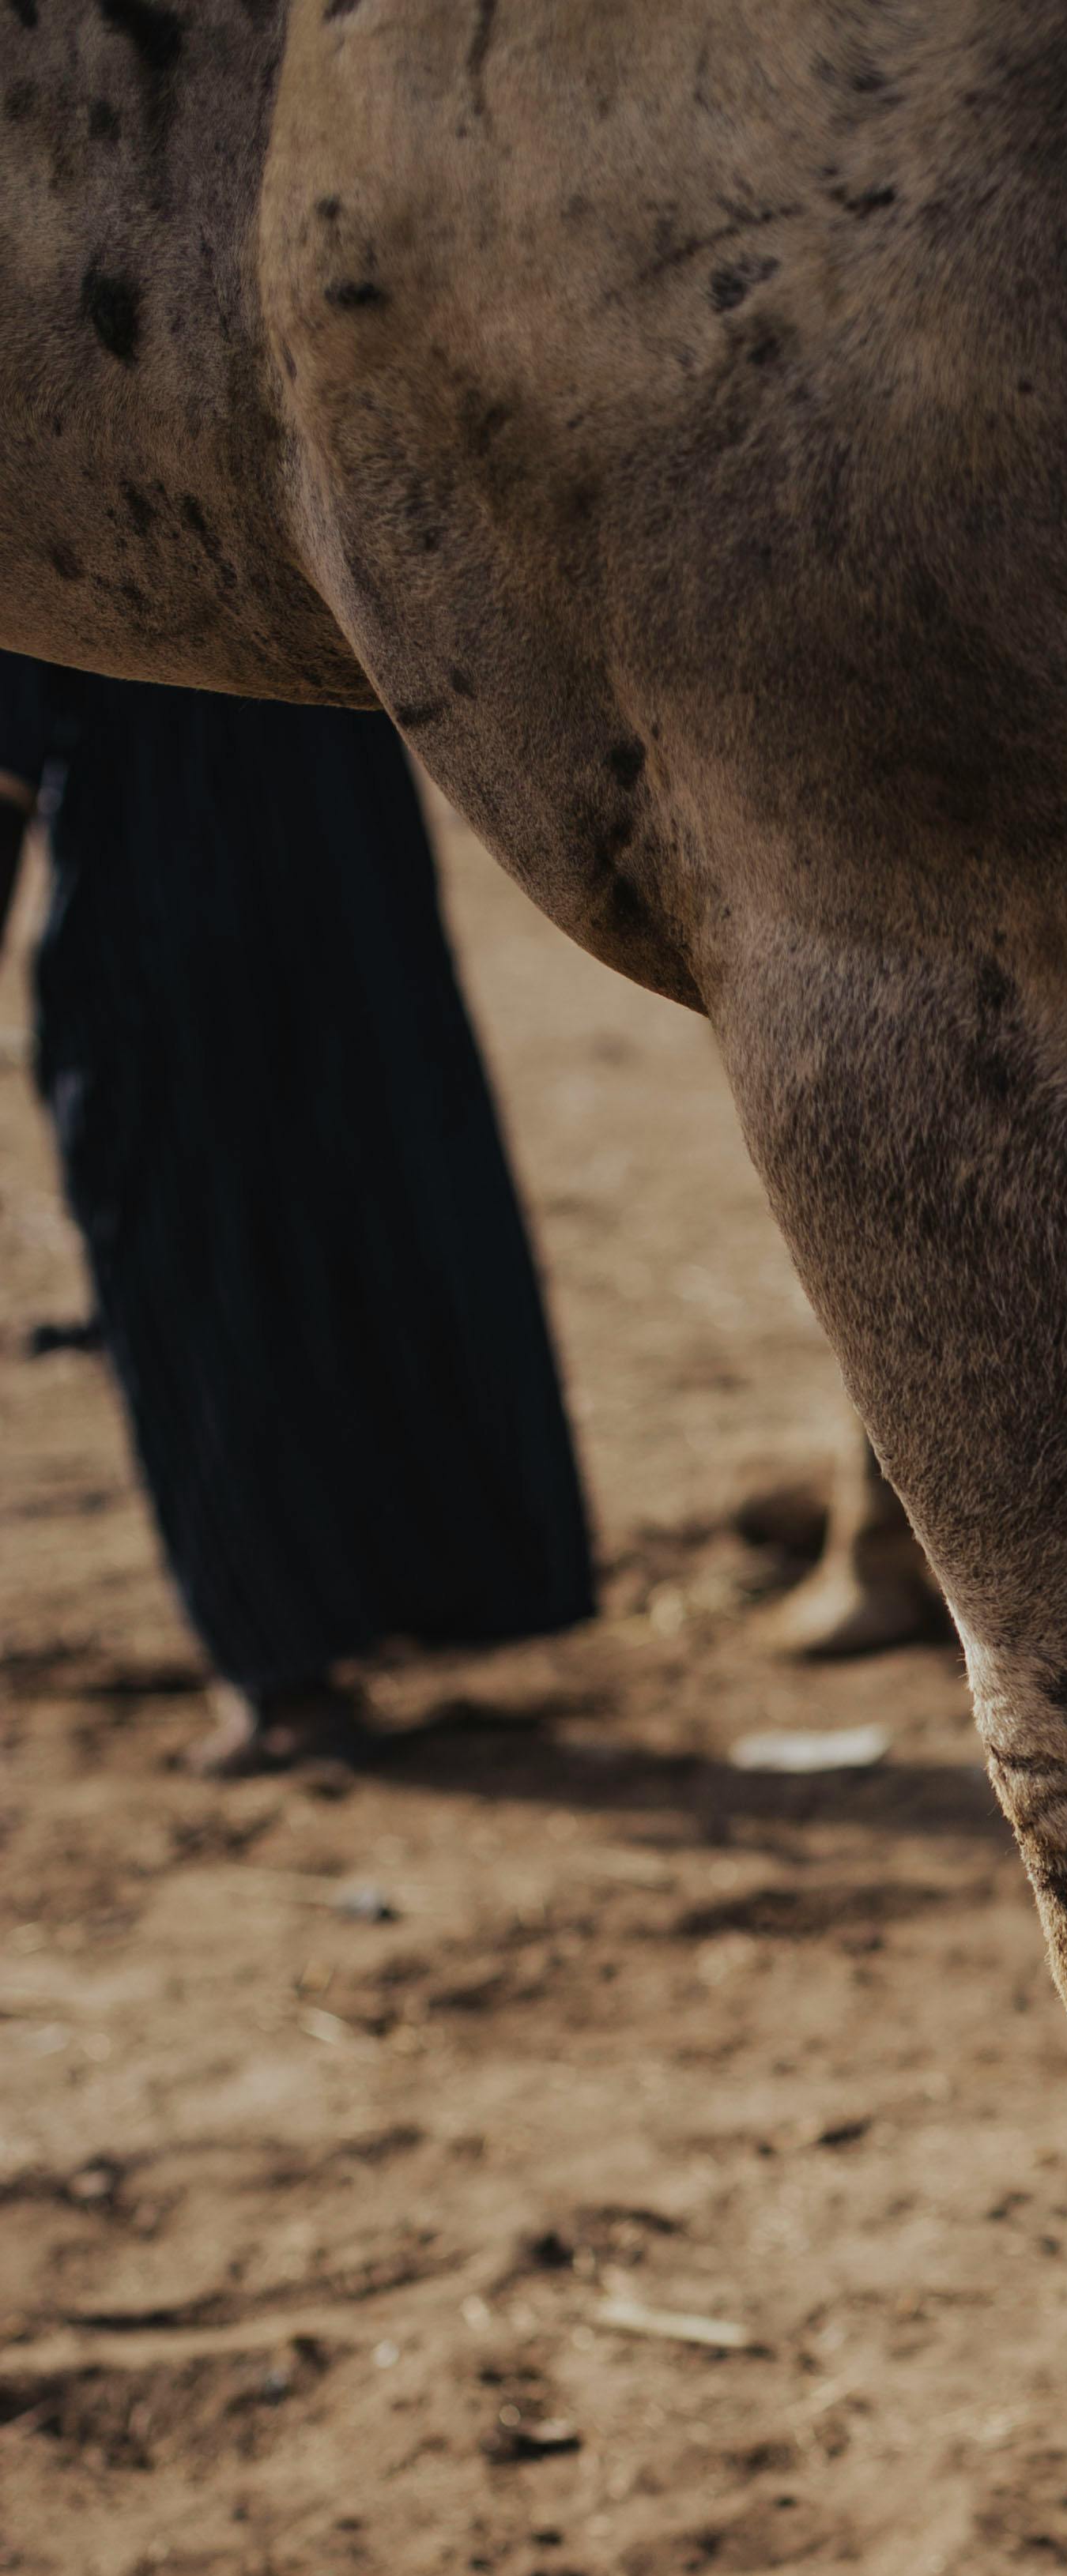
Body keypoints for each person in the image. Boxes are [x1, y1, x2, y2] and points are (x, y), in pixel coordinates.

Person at [0, 658, 592, 1772]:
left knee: (201, 1276)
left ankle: (286, 1676)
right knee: (383, 1229)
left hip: (163, 926)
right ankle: (440, 1600)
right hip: (354, 903)